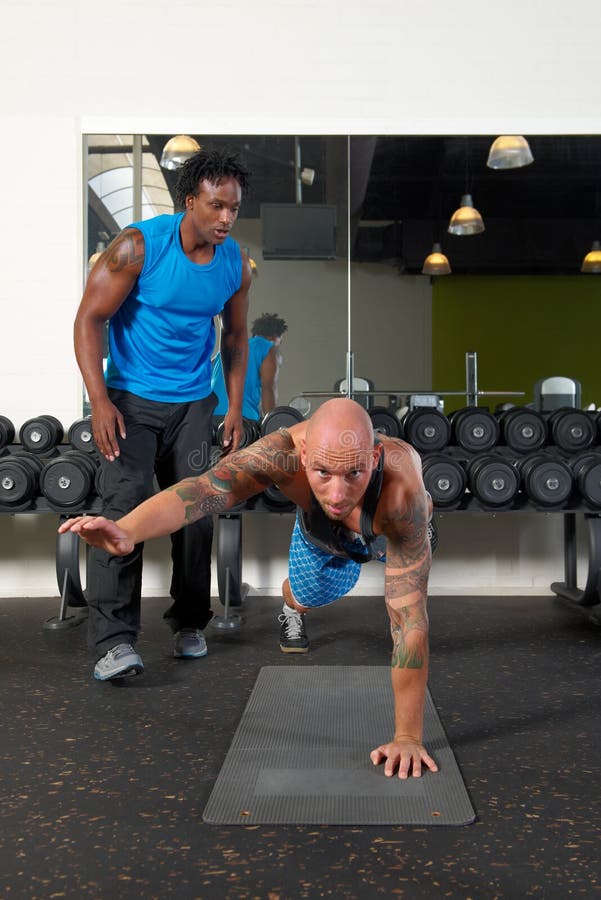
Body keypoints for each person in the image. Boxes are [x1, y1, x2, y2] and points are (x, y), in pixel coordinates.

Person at [59, 398, 438, 779]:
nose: (337, 494)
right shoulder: (281, 453)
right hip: (323, 532)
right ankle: (294, 606)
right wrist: (127, 529)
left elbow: (408, 623)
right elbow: (202, 491)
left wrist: (408, 735)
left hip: (390, 522)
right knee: (313, 591)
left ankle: (408, 526)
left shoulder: (402, 499)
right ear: (304, 455)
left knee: (409, 544)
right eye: (323, 472)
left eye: (353, 473)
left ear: (374, 457)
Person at [74, 147, 252, 681]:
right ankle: (113, 642)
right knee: (122, 510)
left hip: (195, 401)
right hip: (129, 399)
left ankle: (189, 621)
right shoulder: (138, 246)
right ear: (190, 200)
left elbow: (238, 337)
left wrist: (234, 406)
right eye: (217, 206)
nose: (226, 218)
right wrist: (99, 399)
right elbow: (89, 319)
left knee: (196, 511)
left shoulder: (234, 263)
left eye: (234, 209)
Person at [210, 312, 288, 421]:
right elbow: (268, 388)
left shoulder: (223, 352)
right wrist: (272, 425)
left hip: (211, 418)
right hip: (241, 419)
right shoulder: (267, 348)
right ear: (275, 337)